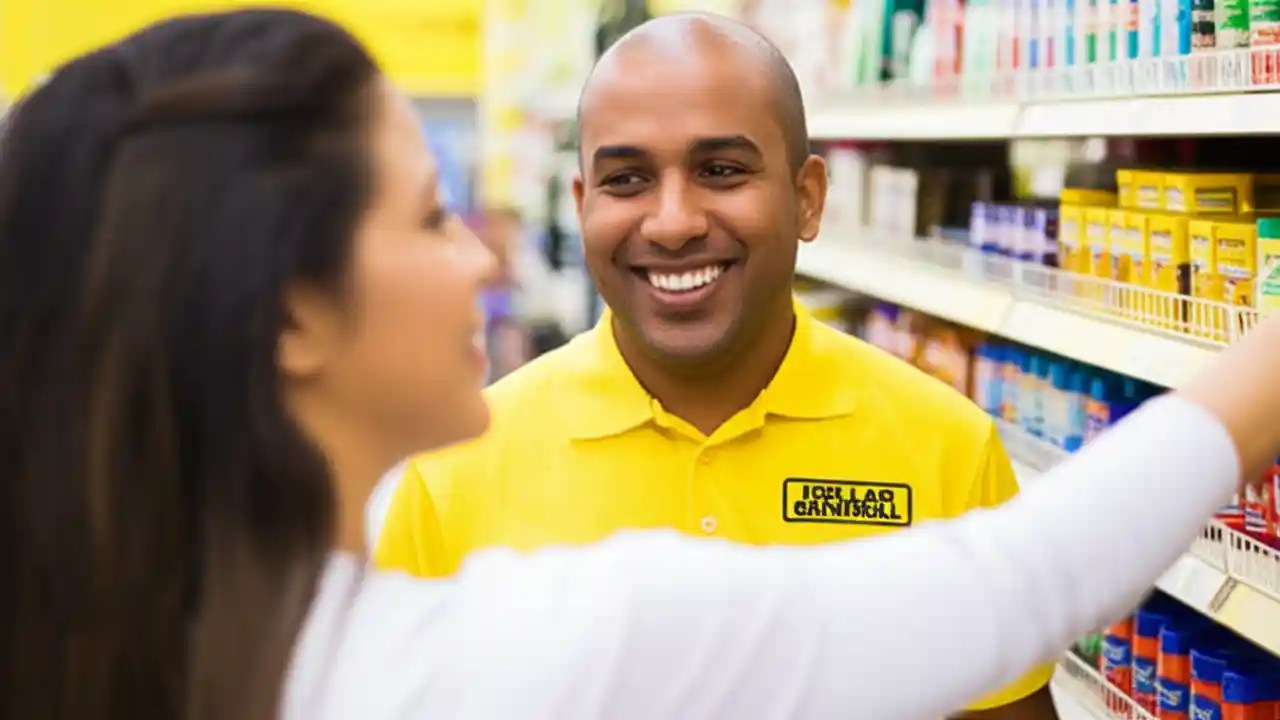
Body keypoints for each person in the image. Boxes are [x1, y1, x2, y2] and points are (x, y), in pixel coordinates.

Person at [3, 8, 1280, 720]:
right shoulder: (493, 643)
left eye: (722, 167)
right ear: (287, 311)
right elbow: (1012, 586)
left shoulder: (119, 639)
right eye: (424, 215)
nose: (487, 263)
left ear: (808, 192)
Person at [373, 15, 1056, 716]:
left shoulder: (947, 451)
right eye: (628, 179)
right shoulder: (454, 472)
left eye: (722, 171)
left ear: (807, 198)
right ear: (582, 207)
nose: (673, 222)